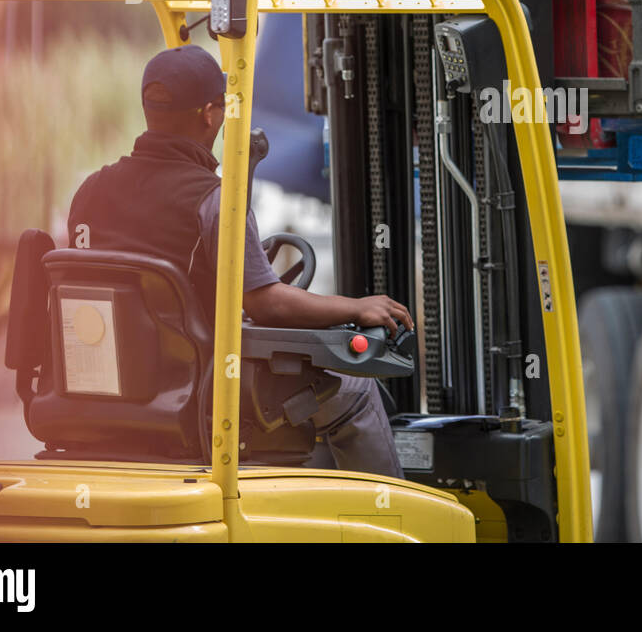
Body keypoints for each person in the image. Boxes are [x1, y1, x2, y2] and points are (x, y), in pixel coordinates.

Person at [68, 44, 410, 476]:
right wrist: (358, 307)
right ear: (210, 115)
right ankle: (391, 521)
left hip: (108, 390)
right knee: (356, 387)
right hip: (198, 392)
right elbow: (267, 304)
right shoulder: (215, 201)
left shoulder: (90, 191)